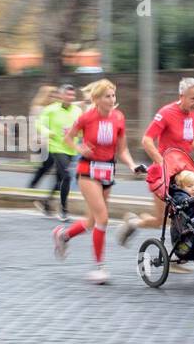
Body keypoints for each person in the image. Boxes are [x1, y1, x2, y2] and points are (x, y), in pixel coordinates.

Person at [51, 80, 144, 283]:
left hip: (108, 171)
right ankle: (99, 268)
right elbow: (68, 138)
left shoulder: (119, 117)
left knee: (92, 222)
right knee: (103, 218)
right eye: (107, 96)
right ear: (96, 99)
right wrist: (79, 148)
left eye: (113, 96)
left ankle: (63, 236)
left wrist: (131, 165)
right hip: (88, 171)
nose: (112, 100)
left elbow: (123, 149)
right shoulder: (86, 118)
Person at [118, 77, 194, 252]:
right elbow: (147, 139)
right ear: (182, 95)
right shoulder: (166, 112)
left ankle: (179, 254)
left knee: (184, 213)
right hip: (165, 172)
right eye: (193, 98)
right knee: (160, 220)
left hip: (184, 171)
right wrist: (160, 161)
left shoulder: (193, 113)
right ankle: (133, 223)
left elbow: (189, 138)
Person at [29, 84, 81, 221]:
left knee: (60, 180)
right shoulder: (50, 110)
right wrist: (47, 132)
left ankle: (47, 203)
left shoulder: (77, 110)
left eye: (73, 95)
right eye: (68, 95)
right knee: (67, 176)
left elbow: (82, 127)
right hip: (56, 147)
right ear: (62, 95)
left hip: (71, 148)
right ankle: (64, 209)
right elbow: (39, 124)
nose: (71, 97)